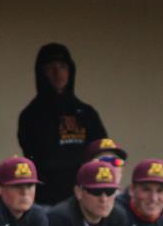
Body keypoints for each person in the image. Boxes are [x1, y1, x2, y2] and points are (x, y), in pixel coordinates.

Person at [17, 42, 107, 205]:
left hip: (86, 199)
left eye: (63, 66)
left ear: (70, 70)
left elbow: (103, 152)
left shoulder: (87, 113)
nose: (58, 73)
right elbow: (34, 156)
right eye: (51, 67)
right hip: (47, 201)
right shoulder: (31, 115)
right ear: (41, 72)